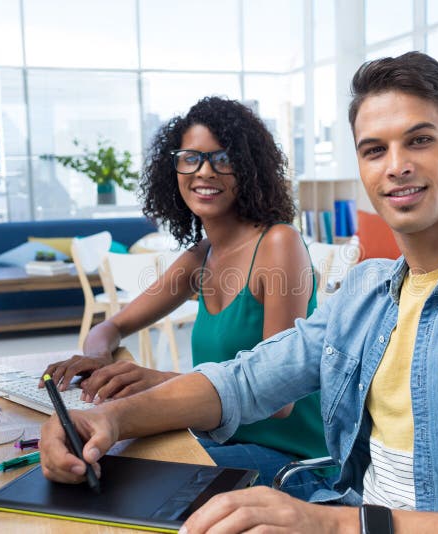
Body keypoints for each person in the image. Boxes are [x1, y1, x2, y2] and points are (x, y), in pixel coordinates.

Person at [40, 53, 438, 533]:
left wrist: (339, 524)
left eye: (419, 140)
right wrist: (109, 419)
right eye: (374, 150)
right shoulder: (367, 291)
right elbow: (245, 380)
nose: (396, 166)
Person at [39, 96, 330, 499]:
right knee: (106, 464)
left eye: (222, 158)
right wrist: (100, 359)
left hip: (292, 464)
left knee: (126, 481)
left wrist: (155, 381)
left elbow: (277, 399)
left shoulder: (279, 243)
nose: (204, 171)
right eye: (190, 158)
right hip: (228, 443)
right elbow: (113, 325)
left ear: (249, 168)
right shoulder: (201, 256)